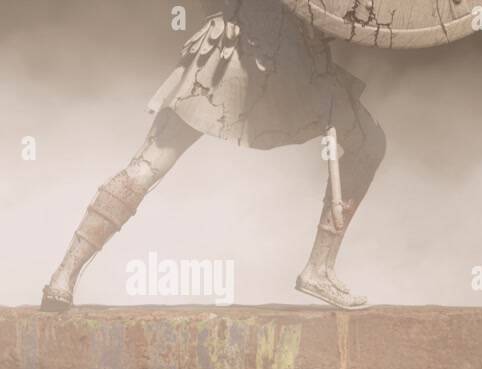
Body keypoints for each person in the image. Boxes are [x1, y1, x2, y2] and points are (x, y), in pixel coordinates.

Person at [41, 0, 386, 311]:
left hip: (291, 59)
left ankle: (320, 269)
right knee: (149, 163)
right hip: (235, 52)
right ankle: (64, 275)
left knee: (369, 143)